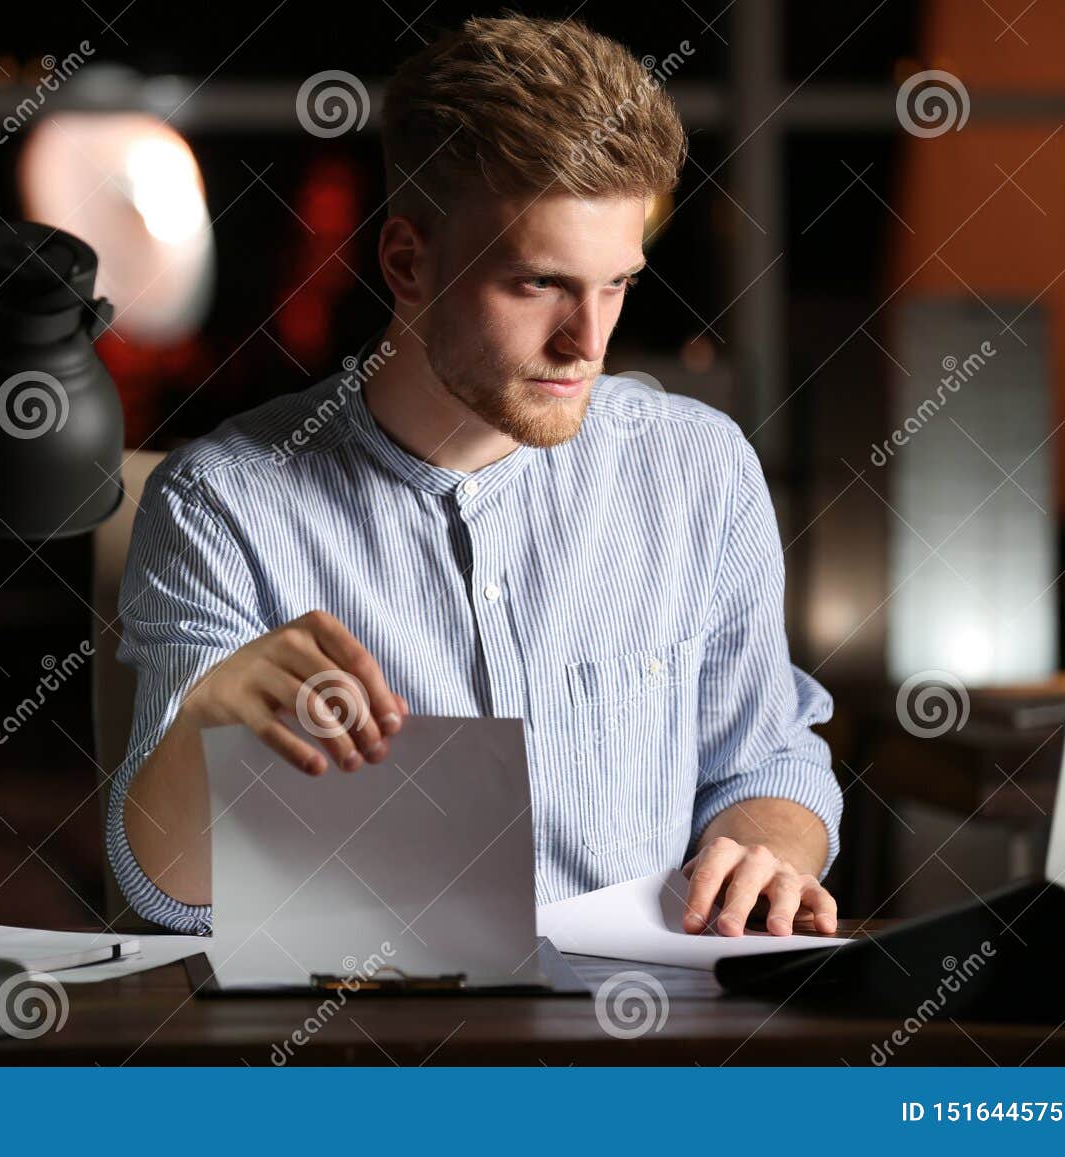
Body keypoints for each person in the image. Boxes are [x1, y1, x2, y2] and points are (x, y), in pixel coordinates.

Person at [108, 13, 842, 940]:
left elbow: (765, 759)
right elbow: (167, 890)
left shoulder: (699, 470)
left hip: (648, 1039)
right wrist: (206, 726)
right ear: (408, 262)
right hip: (367, 1051)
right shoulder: (225, 504)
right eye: (538, 285)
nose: (588, 343)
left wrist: (767, 847)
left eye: (615, 284)